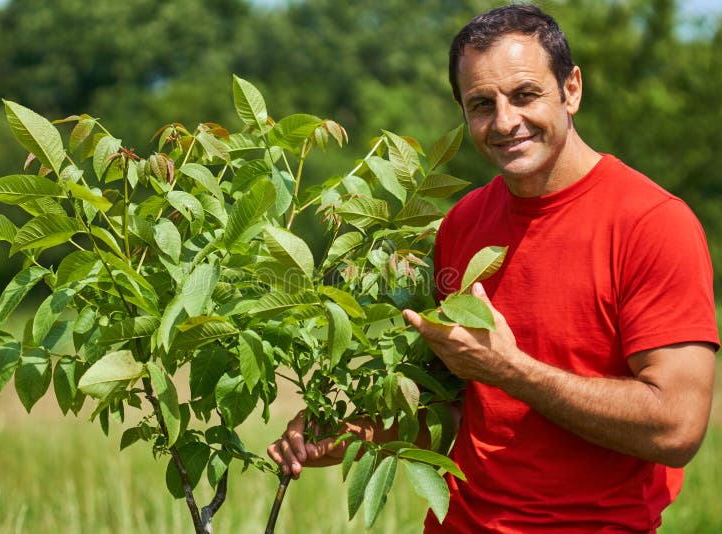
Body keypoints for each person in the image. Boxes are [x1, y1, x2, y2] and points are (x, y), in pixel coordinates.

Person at [268, 4, 719, 532]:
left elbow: (677, 429)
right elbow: (450, 406)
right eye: (482, 104)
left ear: (571, 89)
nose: (505, 122)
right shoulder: (462, 224)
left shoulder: (651, 224)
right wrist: (343, 435)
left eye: (526, 95)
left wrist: (511, 369)